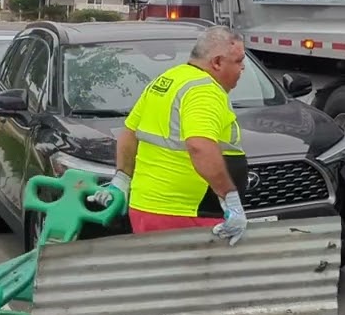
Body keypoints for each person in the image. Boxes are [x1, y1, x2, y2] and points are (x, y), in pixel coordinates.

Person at [89, 24, 251, 245]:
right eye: (239, 61)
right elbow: (199, 145)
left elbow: (129, 133)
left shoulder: (168, 80)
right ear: (217, 62)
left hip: (147, 208)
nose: (242, 68)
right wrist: (230, 200)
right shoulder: (204, 91)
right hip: (185, 214)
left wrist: (122, 179)